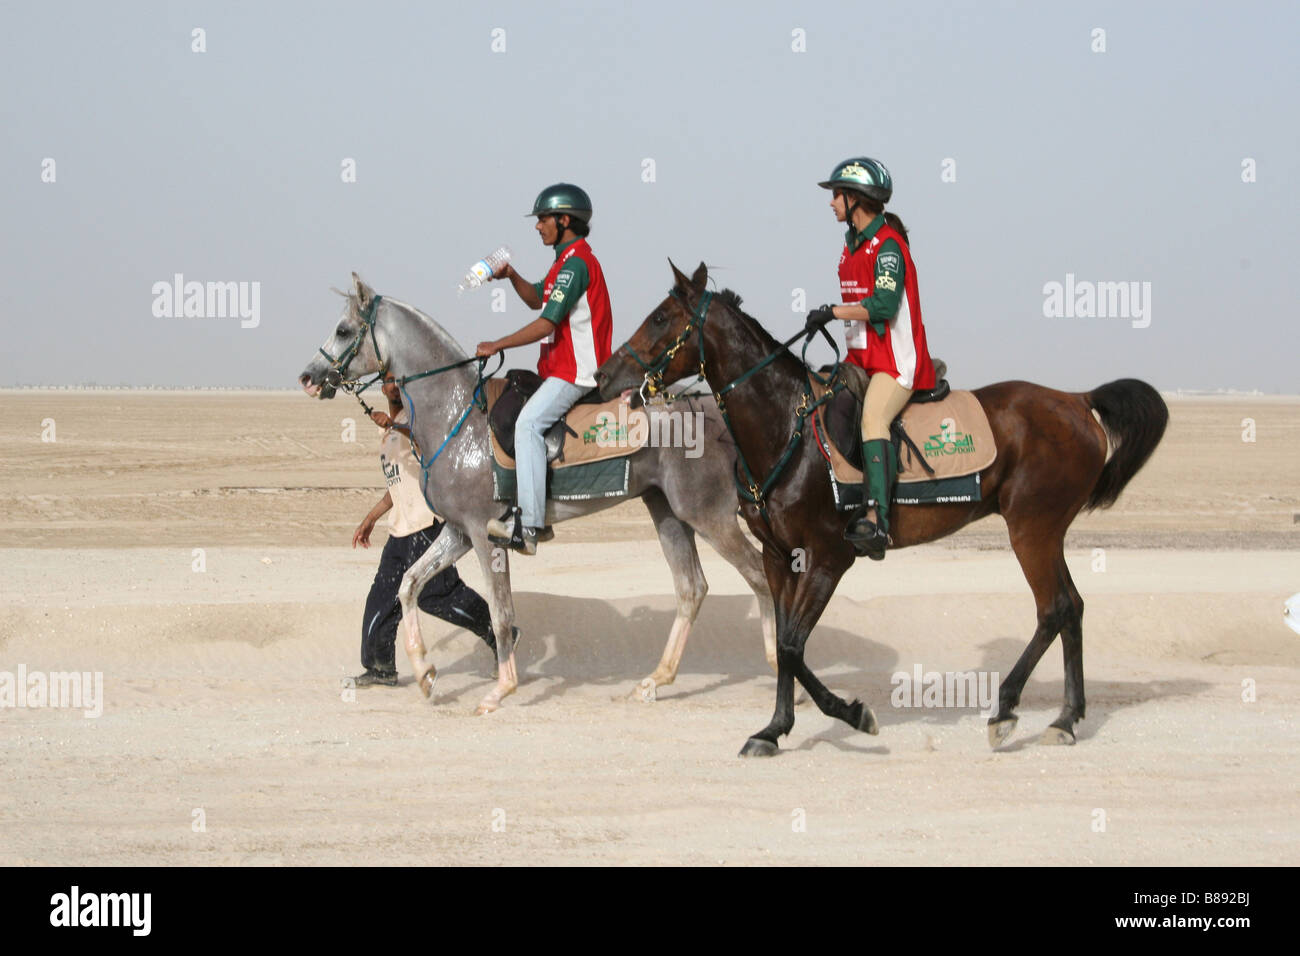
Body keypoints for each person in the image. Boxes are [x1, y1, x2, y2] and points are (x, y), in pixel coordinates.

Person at [805, 157, 936, 560]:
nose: (831, 203)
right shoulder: (852, 249)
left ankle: (878, 519)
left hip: (898, 363)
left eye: (836, 195)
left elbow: (882, 305)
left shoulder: (889, 248)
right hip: (862, 361)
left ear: (856, 198)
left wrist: (833, 311)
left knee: (873, 418)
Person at [475, 183, 614, 555]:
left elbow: (546, 322)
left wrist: (498, 344)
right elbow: (537, 296)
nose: (538, 226)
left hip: (577, 374)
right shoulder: (564, 263)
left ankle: (530, 526)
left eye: (542, 219)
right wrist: (512, 276)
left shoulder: (576, 266)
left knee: (528, 424)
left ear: (564, 219)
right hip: (560, 370)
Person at [351, 375, 507, 686]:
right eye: (386, 381)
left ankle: (501, 633)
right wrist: (371, 517)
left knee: (438, 595)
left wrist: (396, 426)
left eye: (396, 380)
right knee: (381, 598)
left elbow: (428, 444)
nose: (391, 385)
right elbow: (396, 486)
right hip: (399, 530)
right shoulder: (388, 431)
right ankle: (380, 668)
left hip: (427, 524)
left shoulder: (417, 419)